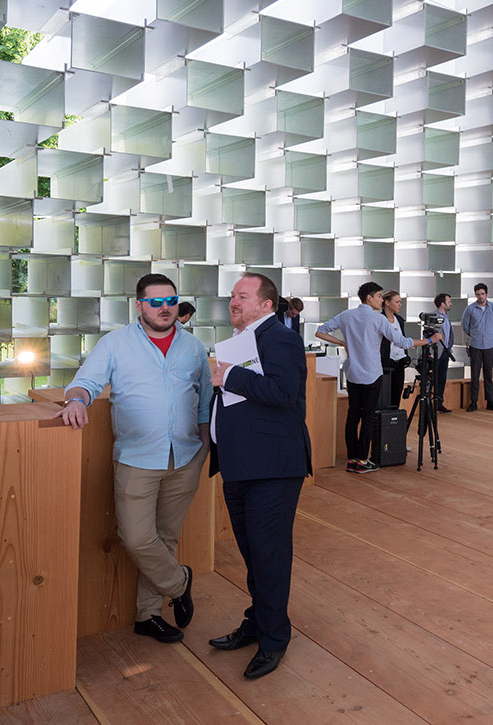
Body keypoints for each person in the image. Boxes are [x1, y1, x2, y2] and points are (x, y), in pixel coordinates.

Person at [55, 273, 211, 644]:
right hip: (138, 458)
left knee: (166, 537)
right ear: (139, 305)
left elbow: (205, 400)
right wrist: (76, 399)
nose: (164, 308)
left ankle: (148, 615)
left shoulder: (193, 347)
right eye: (155, 302)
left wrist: (205, 449)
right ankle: (180, 582)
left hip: (186, 456)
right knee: (137, 538)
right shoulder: (115, 343)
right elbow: (87, 382)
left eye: (170, 301)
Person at [207, 273, 309, 680]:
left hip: (272, 467)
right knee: (253, 555)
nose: (233, 301)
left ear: (267, 304)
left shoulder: (281, 338)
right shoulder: (241, 342)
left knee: (268, 556)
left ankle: (273, 639)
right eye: (232, 295)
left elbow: (285, 393)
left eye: (242, 296)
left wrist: (230, 376)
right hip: (241, 464)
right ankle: (257, 621)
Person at [315, 283, 435, 473]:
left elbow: (320, 331)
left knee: (353, 416)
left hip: (353, 374)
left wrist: (342, 342)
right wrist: (429, 340)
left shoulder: (346, 315)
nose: (381, 299)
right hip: (372, 374)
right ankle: (362, 460)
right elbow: (402, 342)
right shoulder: (378, 320)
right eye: (379, 296)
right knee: (368, 416)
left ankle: (352, 459)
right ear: (369, 298)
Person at [460, 282, 493, 412]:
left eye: (482, 294)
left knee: (488, 374)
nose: (480, 296)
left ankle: (490, 402)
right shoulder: (470, 309)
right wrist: (476, 335)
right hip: (475, 345)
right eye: (478, 294)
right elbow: (465, 326)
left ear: (487, 294)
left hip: (490, 345)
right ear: (475, 295)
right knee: (475, 374)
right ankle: (473, 402)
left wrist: (487, 335)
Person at [381, 290, 409, 407]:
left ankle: (394, 421)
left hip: (400, 362)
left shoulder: (399, 320)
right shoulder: (380, 319)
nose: (399, 305)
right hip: (386, 363)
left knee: (397, 394)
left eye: (400, 302)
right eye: (397, 302)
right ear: (387, 302)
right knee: (385, 395)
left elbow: (402, 339)